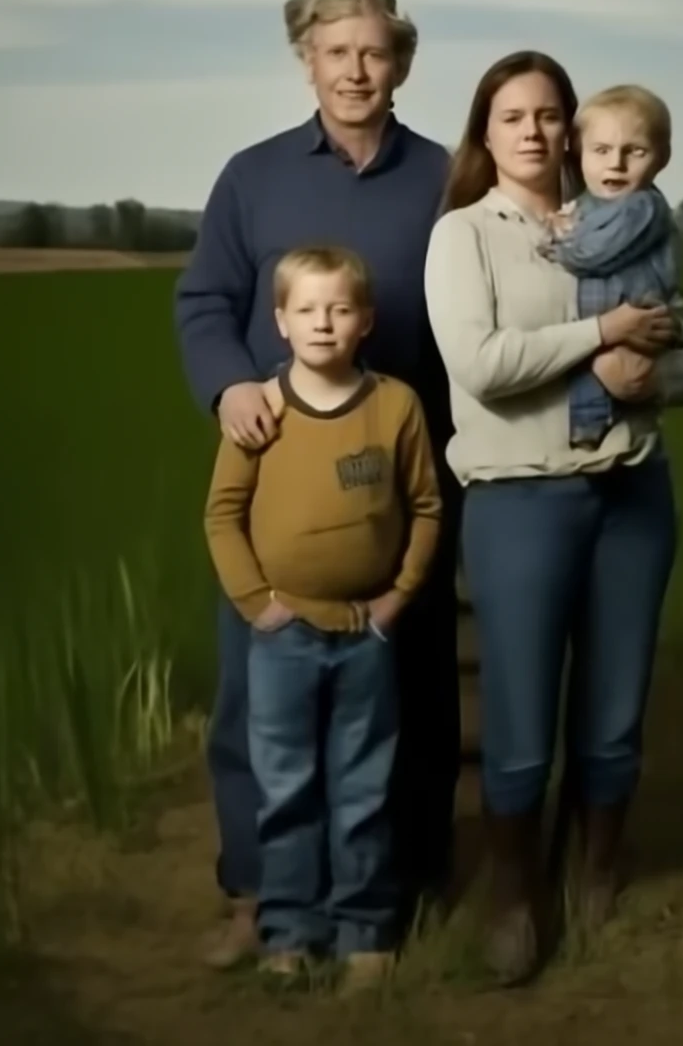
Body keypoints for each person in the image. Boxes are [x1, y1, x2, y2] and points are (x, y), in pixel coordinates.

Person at [174, 0, 460, 969]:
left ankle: (401, 885)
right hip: (278, 486)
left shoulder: (446, 176)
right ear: (307, 61)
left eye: (374, 51)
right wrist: (227, 387)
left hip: (404, 473)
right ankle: (259, 892)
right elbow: (203, 302)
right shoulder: (252, 177)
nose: (355, 70)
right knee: (258, 699)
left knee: (413, 685)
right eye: (336, 52)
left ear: (402, 63)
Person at [423, 51, 683, 987]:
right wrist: (604, 335)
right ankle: (516, 894)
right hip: (521, 500)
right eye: (512, 115)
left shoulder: (618, 220)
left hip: (634, 495)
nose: (533, 131)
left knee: (615, 699)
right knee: (519, 708)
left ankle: (596, 869)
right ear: (485, 131)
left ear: (572, 131)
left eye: (549, 114)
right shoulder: (464, 235)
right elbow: (483, 365)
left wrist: (652, 376)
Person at [203, 246, 441, 990]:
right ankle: (290, 931)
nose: (323, 323)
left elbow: (427, 508)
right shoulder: (262, 409)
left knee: (363, 785)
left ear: (365, 320)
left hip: (366, 634)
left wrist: (397, 598)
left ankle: (364, 927)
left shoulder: (395, 406)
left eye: (339, 309)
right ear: (280, 321)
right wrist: (258, 606)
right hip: (283, 640)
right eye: (306, 309)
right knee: (286, 788)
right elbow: (221, 515)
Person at [539, 83, 683, 448]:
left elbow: (594, 254)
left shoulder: (643, 206)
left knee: (613, 379)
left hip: (636, 317)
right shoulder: (589, 204)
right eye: (601, 150)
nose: (616, 163)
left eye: (635, 151)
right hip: (607, 324)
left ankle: (591, 429)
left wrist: (558, 241)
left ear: (661, 158)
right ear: (578, 151)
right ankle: (589, 430)